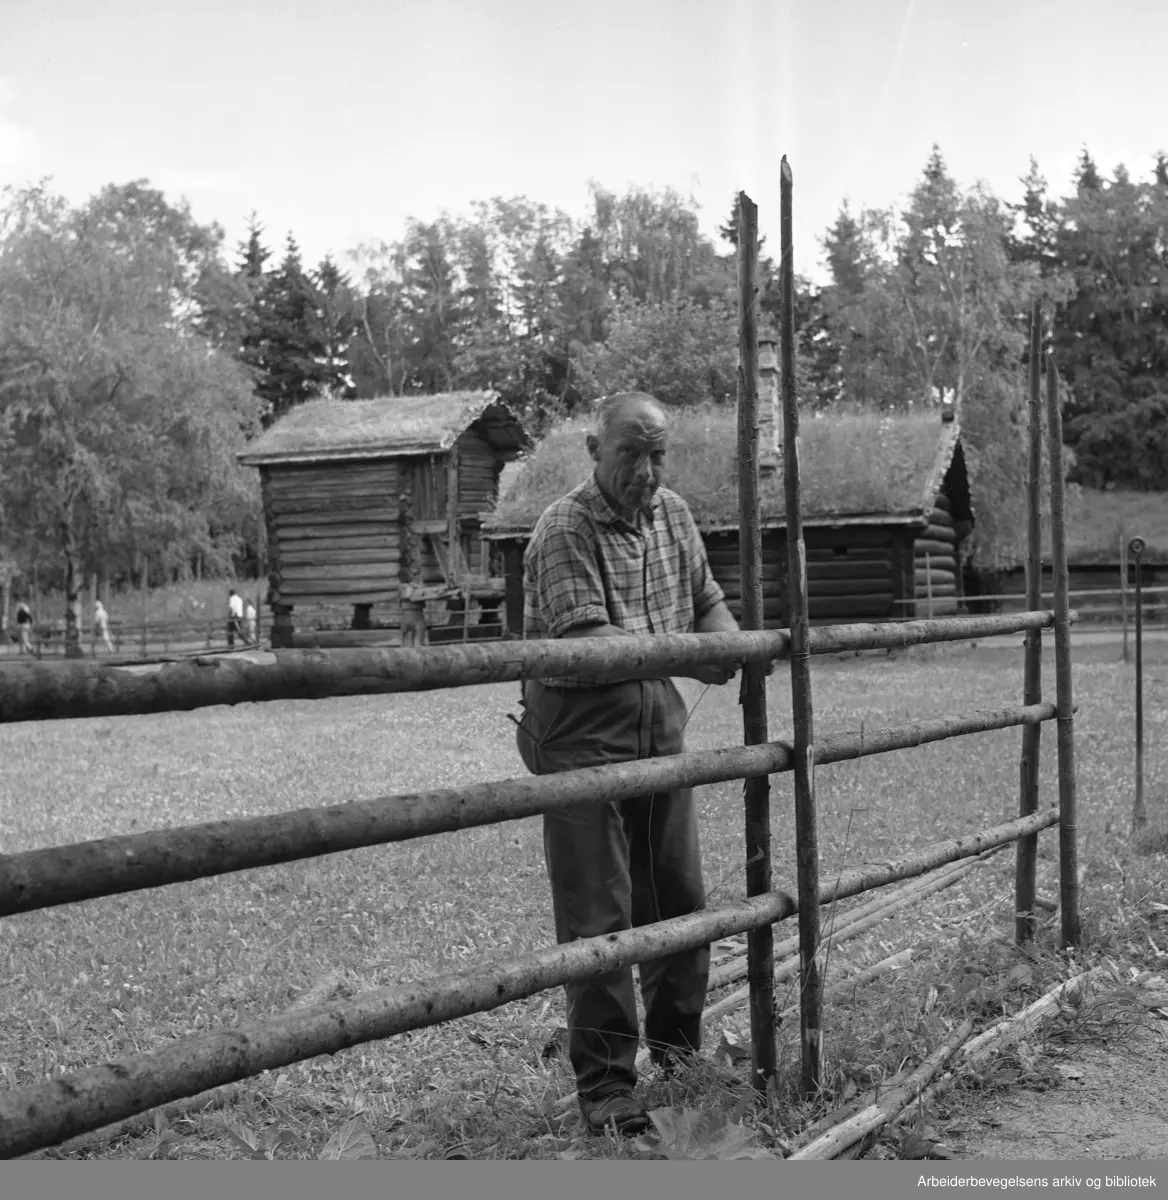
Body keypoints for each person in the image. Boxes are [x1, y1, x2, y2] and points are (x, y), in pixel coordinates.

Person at [516, 392, 742, 1137]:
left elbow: (706, 600)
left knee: (679, 897)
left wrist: (730, 643)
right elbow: (601, 647)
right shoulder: (565, 529)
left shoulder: (674, 514)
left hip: (658, 723)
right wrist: (694, 656)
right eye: (630, 454)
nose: (647, 470)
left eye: (658, 454)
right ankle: (609, 1092)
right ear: (593, 448)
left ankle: (679, 1063)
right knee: (599, 915)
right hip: (582, 731)